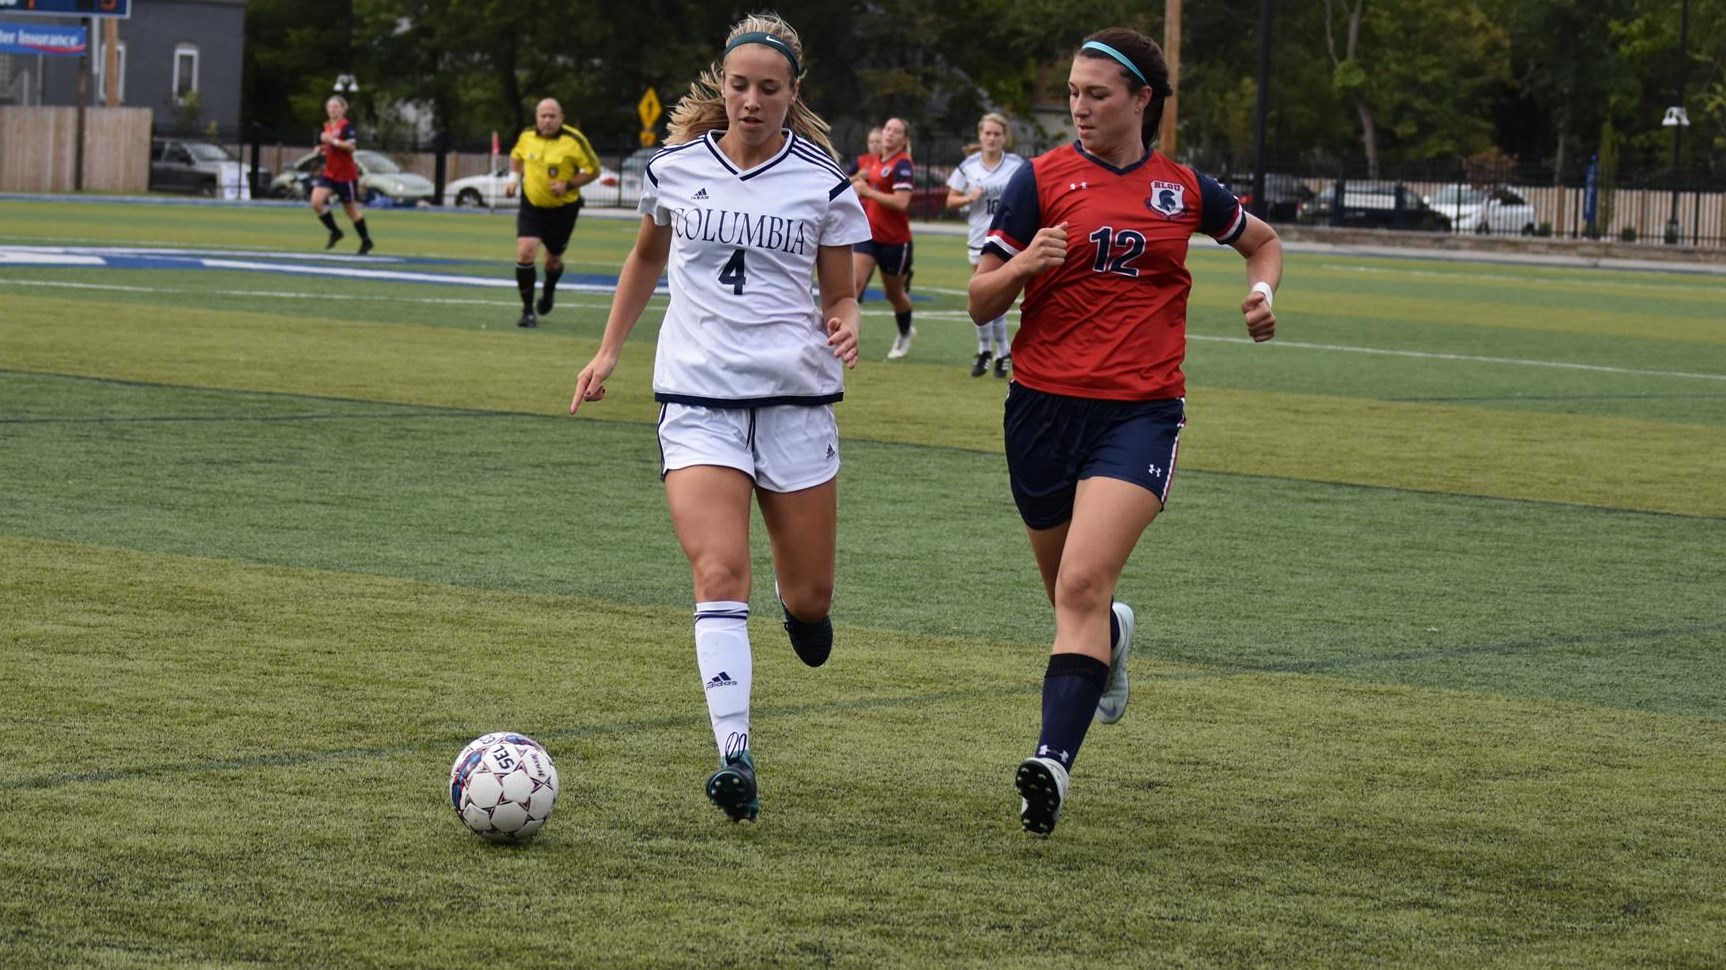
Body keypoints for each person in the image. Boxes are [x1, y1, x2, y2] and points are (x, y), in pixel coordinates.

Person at [967, 27, 1281, 835]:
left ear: (1144, 100)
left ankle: (1050, 766)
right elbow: (979, 302)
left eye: (1097, 94)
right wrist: (1021, 268)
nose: (1079, 107)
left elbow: (1262, 241)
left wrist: (1261, 292)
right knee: (1071, 599)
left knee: (1078, 585)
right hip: (1039, 409)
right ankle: (1111, 637)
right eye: (1073, 93)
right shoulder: (1037, 182)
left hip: (1140, 414)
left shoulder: (1183, 188)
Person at [569, 13, 869, 824]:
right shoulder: (672, 170)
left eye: (769, 88)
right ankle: (734, 755)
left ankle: (801, 612)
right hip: (697, 395)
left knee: (809, 597)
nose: (750, 100)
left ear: (792, 94)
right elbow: (645, 257)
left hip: (796, 400)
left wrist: (846, 317)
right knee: (717, 572)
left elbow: (840, 288)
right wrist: (608, 353)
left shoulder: (822, 183)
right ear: (722, 86)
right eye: (739, 85)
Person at [505, 98, 601, 328]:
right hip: (532, 205)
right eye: (543, 116)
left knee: (552, 260)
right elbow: (516, 157)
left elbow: (594, 170)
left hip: (563, 210)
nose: (547, 120)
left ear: (561, 117)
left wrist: (567, 185)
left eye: (552, 116)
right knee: (526, 252)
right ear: (537, 118)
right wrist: (513, 181)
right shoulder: (527, 136)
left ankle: (548, 291)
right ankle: (527, 311)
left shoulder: (574, 140)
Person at [945, 112, 1026, 378]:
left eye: (997, 133)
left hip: (1007, 239)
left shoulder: (1016, 165)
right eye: (987, 133)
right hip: (979, 239)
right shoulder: (969, 166)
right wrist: (969, 197)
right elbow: (950, 201)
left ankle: (1001, 352)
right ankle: (987, 350)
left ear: (1005, 137)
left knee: (999, 297)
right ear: (980, 136)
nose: (991, 138)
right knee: (981, 296)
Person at [850, 117, 916, 358]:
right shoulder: (877, 159)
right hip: (868, 236)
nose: (889, 134)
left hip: (894, 242)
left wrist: (868, 191)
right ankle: (845, 341)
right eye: (888, 129)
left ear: (904, 139)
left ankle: (906, 332)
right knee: (852, 288)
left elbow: (902, 202)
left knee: (894, 295)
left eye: (896, 131)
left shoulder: (902, 165)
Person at [309, 95, 374, 255]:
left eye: (336, 106)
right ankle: (335, 231)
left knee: (350, 211)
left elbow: (351, 147)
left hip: (345, 175)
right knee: (316, 202)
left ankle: (366, 240)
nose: (332, 109)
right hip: (330, 173)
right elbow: (330, 147)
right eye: (330, 106)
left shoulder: (346, 126)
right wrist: (321, 149)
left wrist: (333, 141)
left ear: (343, 108)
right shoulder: (327, 126)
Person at [847, 126, 883, 299]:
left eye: (878, 142)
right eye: (871, 142)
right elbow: (841, 182)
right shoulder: (862, 161)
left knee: (894, 292)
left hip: (887, 230)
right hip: (864, 224)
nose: (874, 145)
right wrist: (857, 176)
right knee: (855, 284)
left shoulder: (894, 164)